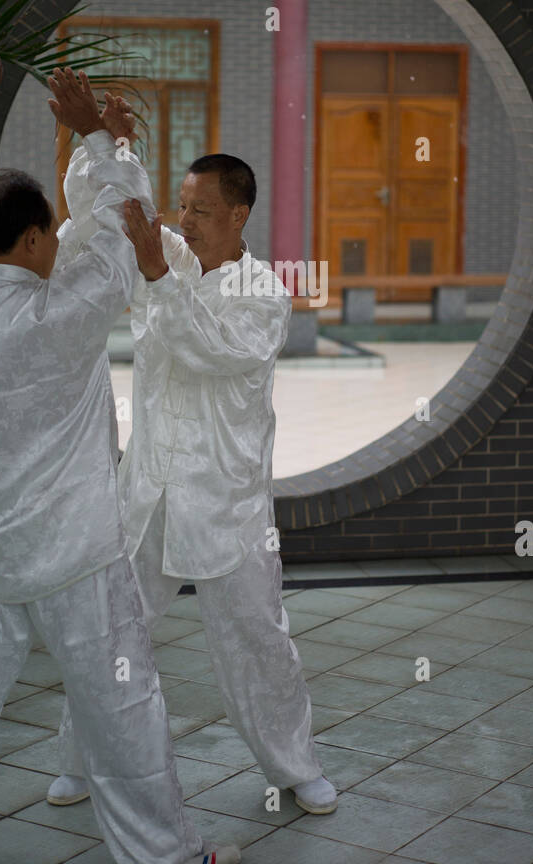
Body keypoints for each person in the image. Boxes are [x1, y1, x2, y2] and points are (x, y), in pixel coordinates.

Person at [0, 67, 239, 864]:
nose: (58, 240)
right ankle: (164, 853)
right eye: (46, 232)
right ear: (26, 243)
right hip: (73, 558)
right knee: (123, 709)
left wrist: (95, 147)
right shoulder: (64, 313)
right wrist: (105, 139)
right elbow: (121, 232)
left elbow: (91, 232)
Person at [48, 98, 337, 816]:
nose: (182, 221)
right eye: (181, 206)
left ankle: (295, 767)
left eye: (199, 210)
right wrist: (104, 139)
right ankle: (80, 760)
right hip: (146, 493)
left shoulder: (264, 296)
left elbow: (207, 348)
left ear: (238, 215)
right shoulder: (167, 255)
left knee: (257, 641)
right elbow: (105, 204)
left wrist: (154, 275)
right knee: (111, 635)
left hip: (227, 503)